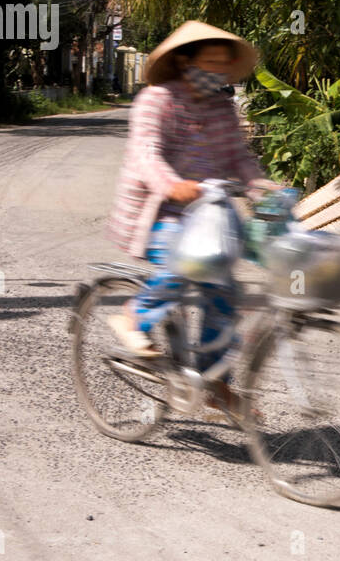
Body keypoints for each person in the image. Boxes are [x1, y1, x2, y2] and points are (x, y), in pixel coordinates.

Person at [105, 20, 281, 414]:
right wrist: (172, 184)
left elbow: (239, 157)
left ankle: (214, 380)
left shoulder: (223, 107)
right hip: (161, 211)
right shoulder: (155, 99)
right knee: (179, 263)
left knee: (224, 295)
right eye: (209, 60)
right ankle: (134, 318)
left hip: (210, 217)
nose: (217, 68)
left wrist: (261, 188)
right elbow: (146, 154)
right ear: (185, 62)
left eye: (223, 62)